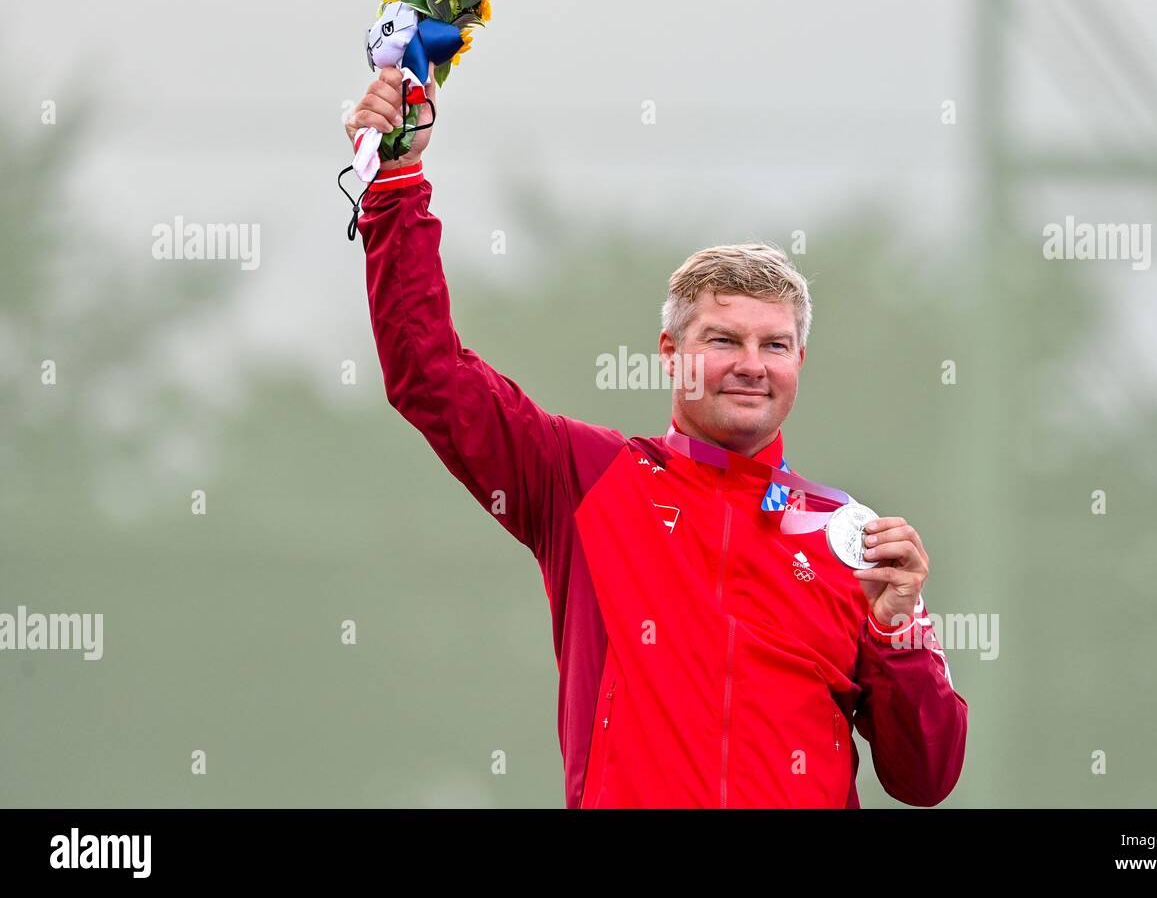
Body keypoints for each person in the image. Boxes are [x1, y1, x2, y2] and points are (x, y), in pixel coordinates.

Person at [345, 68, 968, 808]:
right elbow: (429, 373)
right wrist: (397, 182)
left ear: (800, 362)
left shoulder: (850, 538)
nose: (749, 365)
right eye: (723, 340)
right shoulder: (585, 477)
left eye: (773, 346)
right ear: (670, 354)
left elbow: (926, 780)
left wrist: (901, 635)